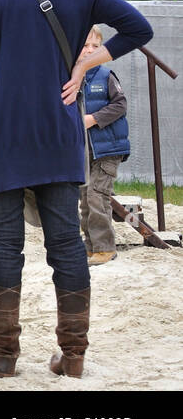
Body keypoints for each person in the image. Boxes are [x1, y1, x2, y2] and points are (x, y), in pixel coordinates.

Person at [0, 0, 151, 378]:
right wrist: (88, 60)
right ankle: (74, 355)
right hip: (60, 130)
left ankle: (4, 356)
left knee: (4, 245)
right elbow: (138, 27)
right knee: (66, 241)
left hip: (2, 133)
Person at [79, 26, 130, 266]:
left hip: (107, 149)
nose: (90, 50)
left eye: (95, 47)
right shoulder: (69, 76)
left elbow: (120, 105)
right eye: (85, 45)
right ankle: (91, 247)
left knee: (97, 197)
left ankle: (105, 248)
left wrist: (94, 119)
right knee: (85, 200)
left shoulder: (105, 75)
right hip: (82, 151)